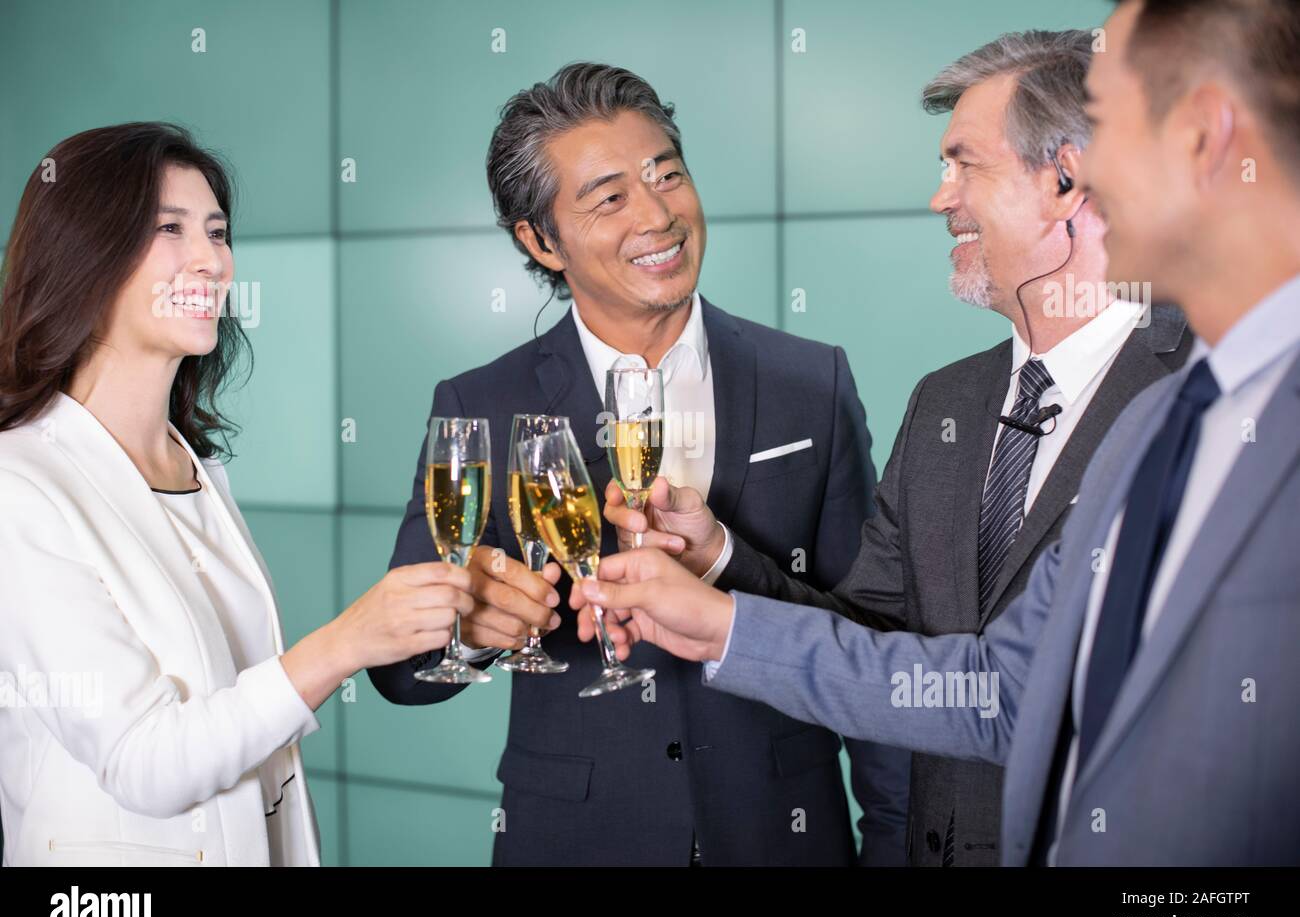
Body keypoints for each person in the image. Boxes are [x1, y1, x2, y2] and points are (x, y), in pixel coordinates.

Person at [574, 0, 1300, 865]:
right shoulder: (969, 405)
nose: (939, 196)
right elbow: (891, 644)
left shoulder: (1192, 396)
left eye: (962, 164)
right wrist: (721, 569)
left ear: (1068, 179)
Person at [370, 63, 907, 865]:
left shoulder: (810, 381)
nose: (659, 215)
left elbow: (871, 632)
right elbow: (402, 670)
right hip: (575, 838)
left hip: (784, 833)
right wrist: (474, 629)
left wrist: (895, 843)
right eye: (610, 197)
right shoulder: (481, 401)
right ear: (540, 240)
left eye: (668, 175)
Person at [0, 122, 476, 866]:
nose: (211, 261)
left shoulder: (194, 466)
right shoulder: (19, 484)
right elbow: (144, 761)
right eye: (169, 229)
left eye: (217, 233)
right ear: (83, 255)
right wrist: (345, 643)